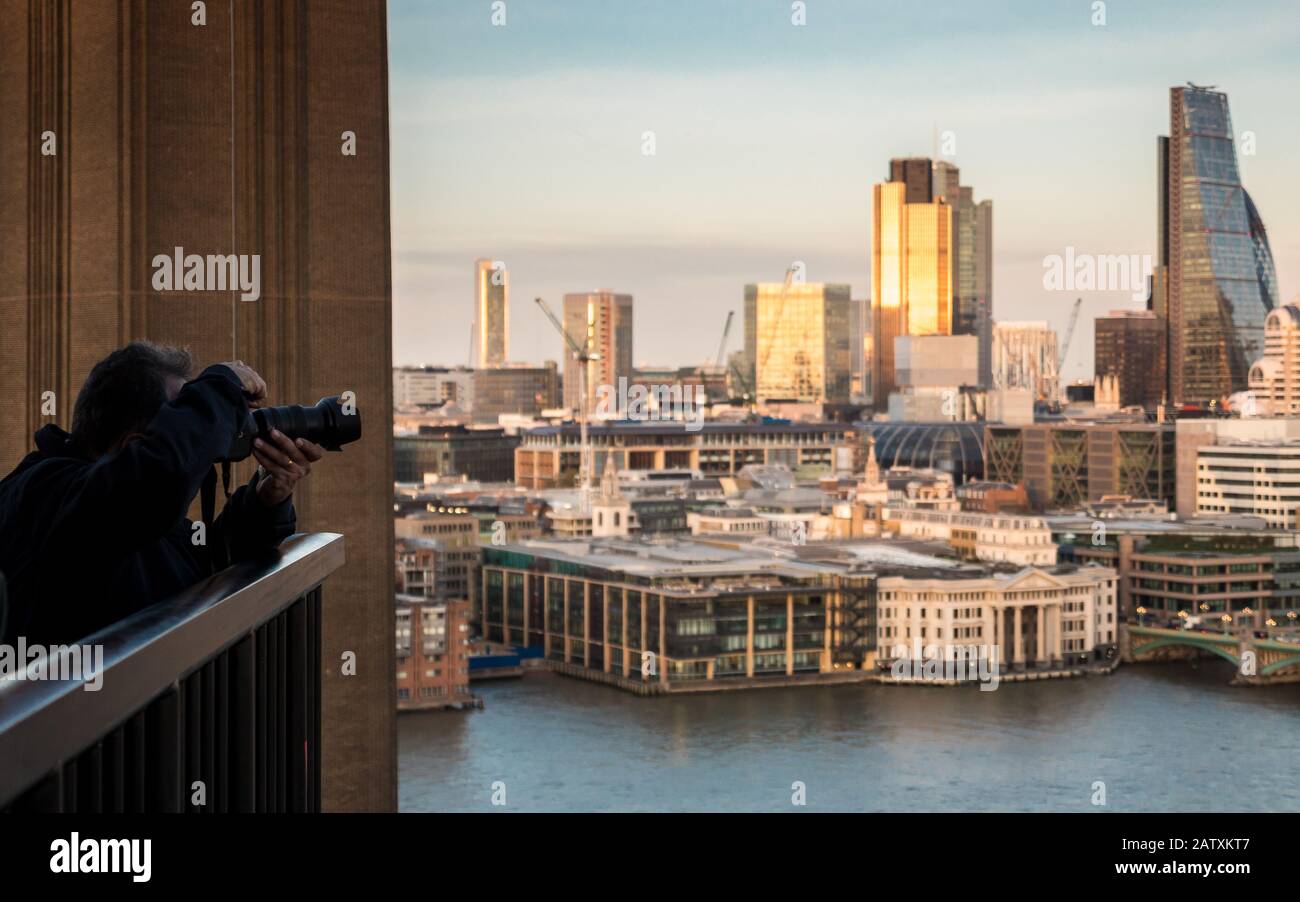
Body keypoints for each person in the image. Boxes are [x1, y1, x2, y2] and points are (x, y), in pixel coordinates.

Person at [0, 342, 324, 647]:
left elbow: (201, 566)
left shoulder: (127, 506)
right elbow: (159, 476)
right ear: (133, 447)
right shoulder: (45, 493)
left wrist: (264, 502)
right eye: (182, 417)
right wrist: (219, 389)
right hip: (85, 706)